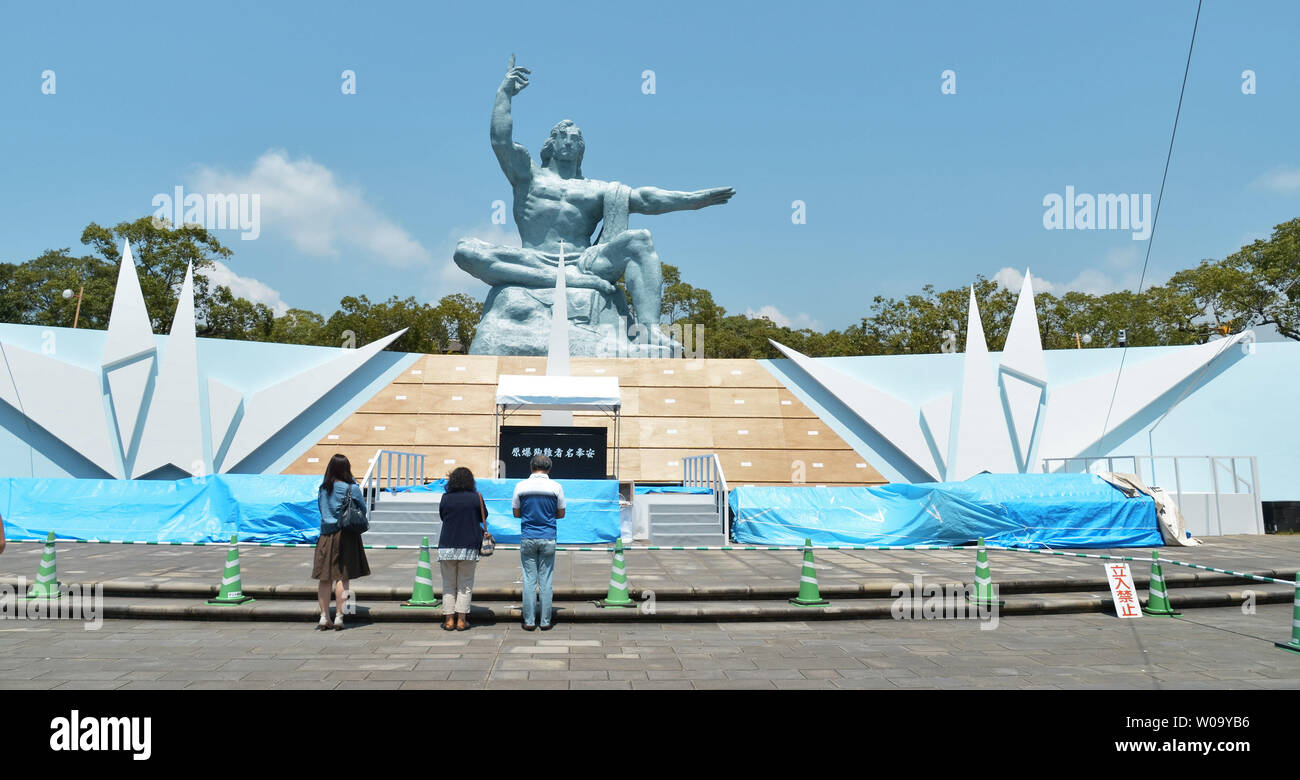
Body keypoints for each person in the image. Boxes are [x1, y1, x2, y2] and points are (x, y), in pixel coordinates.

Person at [315, 454, 371, 630]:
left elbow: (320, 508)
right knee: (342, 578)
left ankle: (324, 616)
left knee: (324, 579)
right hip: (345, 536)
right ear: (347, 468)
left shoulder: (323, 488)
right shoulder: (351, 488)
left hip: (325, 535)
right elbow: (362, 509)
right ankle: (339, 615)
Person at [512, 454, 565, 630]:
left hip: (528, 536)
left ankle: (528, 621)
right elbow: (561, 513)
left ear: (531, 467)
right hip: (548, 536)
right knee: (546, 580)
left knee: (529, 580)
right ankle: (545, 621)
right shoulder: (556, 487)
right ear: (549, 468)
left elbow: (516, 513)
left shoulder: (520, 486)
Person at [437, 467, 488, 631]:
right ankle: (461, 620)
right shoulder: (476, 498)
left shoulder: (446, 498)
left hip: (447, 546)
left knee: (448, 584)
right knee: (465, 584)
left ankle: (449, 620)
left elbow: (442, 516)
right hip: (469, 546)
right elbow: (484, 516)